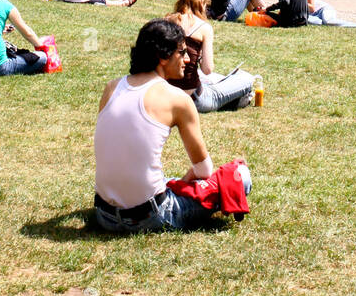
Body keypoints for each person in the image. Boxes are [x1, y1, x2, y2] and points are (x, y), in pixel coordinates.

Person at [93, 18, 252, 234]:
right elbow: (204, 170)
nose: (187, 59)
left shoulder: (112, 88)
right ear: (162, 57)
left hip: (104, 214)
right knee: (241, 175)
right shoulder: (177, 99)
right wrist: (187, 180)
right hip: (150, 216)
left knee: (166, 180)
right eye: (182, 52)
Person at [166, 0, 255, 111]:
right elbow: (207, 69)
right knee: (246, 79)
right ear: (201, 2)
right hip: (193, 99)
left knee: (214, 79)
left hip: (166, 94)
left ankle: (235, 99)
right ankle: (238, 100)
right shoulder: (203, 28)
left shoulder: (166, 21)